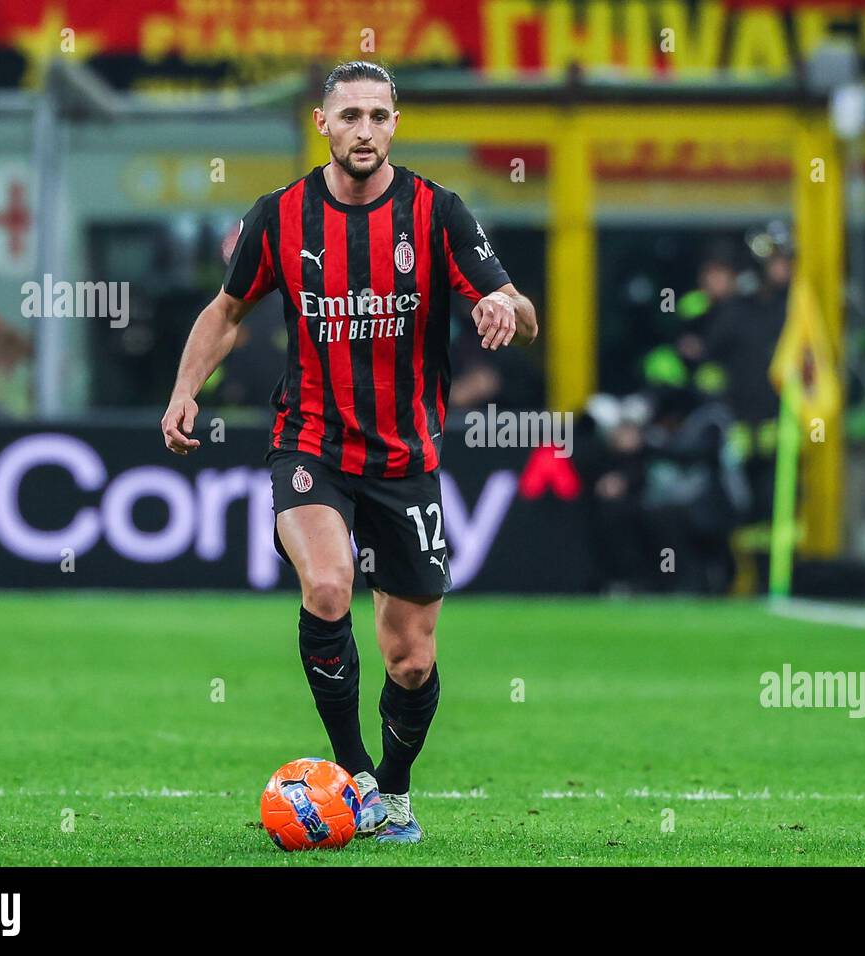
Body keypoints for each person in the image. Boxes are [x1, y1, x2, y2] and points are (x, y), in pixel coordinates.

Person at [159, 61, 537, 844]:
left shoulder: (438, 212)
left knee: (411, 661)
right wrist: (186, 387)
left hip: (405, 458)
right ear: (322, 125)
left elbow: (517, 309)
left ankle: (393, 791)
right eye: (350, 116)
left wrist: (506, 305)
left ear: (395, 123)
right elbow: (227, 311)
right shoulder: (282, 216)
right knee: (328, 587)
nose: (365, 130)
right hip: (311, 443)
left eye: (378, 115)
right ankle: (355, 773)